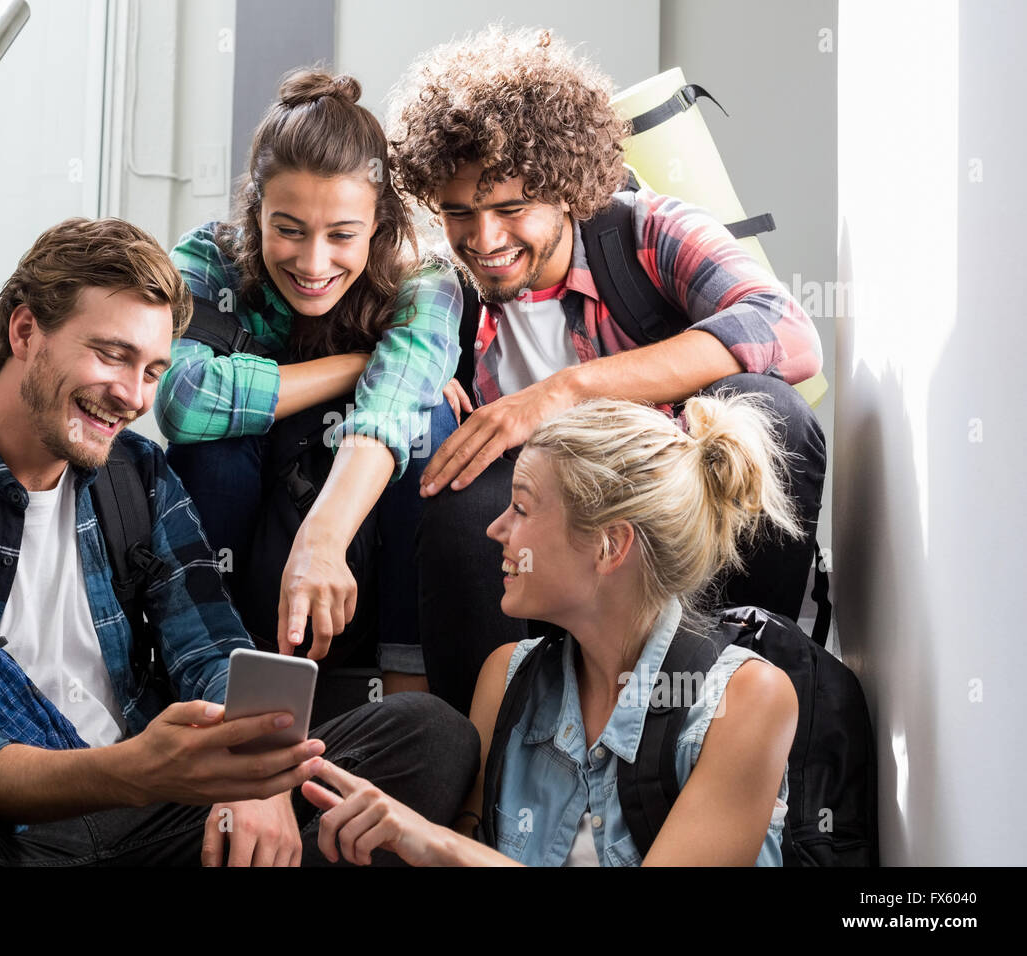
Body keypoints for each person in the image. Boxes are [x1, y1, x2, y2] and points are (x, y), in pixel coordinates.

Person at [0, 217, 477, 867]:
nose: (131, 396)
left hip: (153, 818)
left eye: (153, 371)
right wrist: (136, 770)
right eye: (111, 355)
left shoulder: (138, 476)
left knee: (428, 735)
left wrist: (255, 776)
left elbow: (213, 653)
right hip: (9, 834)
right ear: (26, 330)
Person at [384, 26, 827, 712]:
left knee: (772, 410)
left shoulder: (646, 232)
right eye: (459, 214)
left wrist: (565, 392)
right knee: (459, 493)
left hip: (672, 523)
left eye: (511, 209)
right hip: (546, 546)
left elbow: (786, 328)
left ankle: (747, 708)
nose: (485, 239)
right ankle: (487, 764)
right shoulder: (445, 290)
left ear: (565, 188)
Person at [300, 394, 800, 866]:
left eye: (520, 507)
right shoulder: (506, 677)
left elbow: (453, 850)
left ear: (609, 547)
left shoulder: (747, 700)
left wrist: (438, 845)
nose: (496, 529)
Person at [157, 70, 462, 694]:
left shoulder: (424, 281)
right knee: (212, 440)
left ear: (378, 224)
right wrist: (360, 365)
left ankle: (407, 691)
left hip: (360, 535)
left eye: (343, 235)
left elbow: (390, 414)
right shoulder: (210, 259)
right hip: (242, 530)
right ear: (256, 211)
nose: (313, 263)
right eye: (288, 229)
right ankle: (216, 674)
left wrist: (321, 541)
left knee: (429, 422)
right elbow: (183, 400)